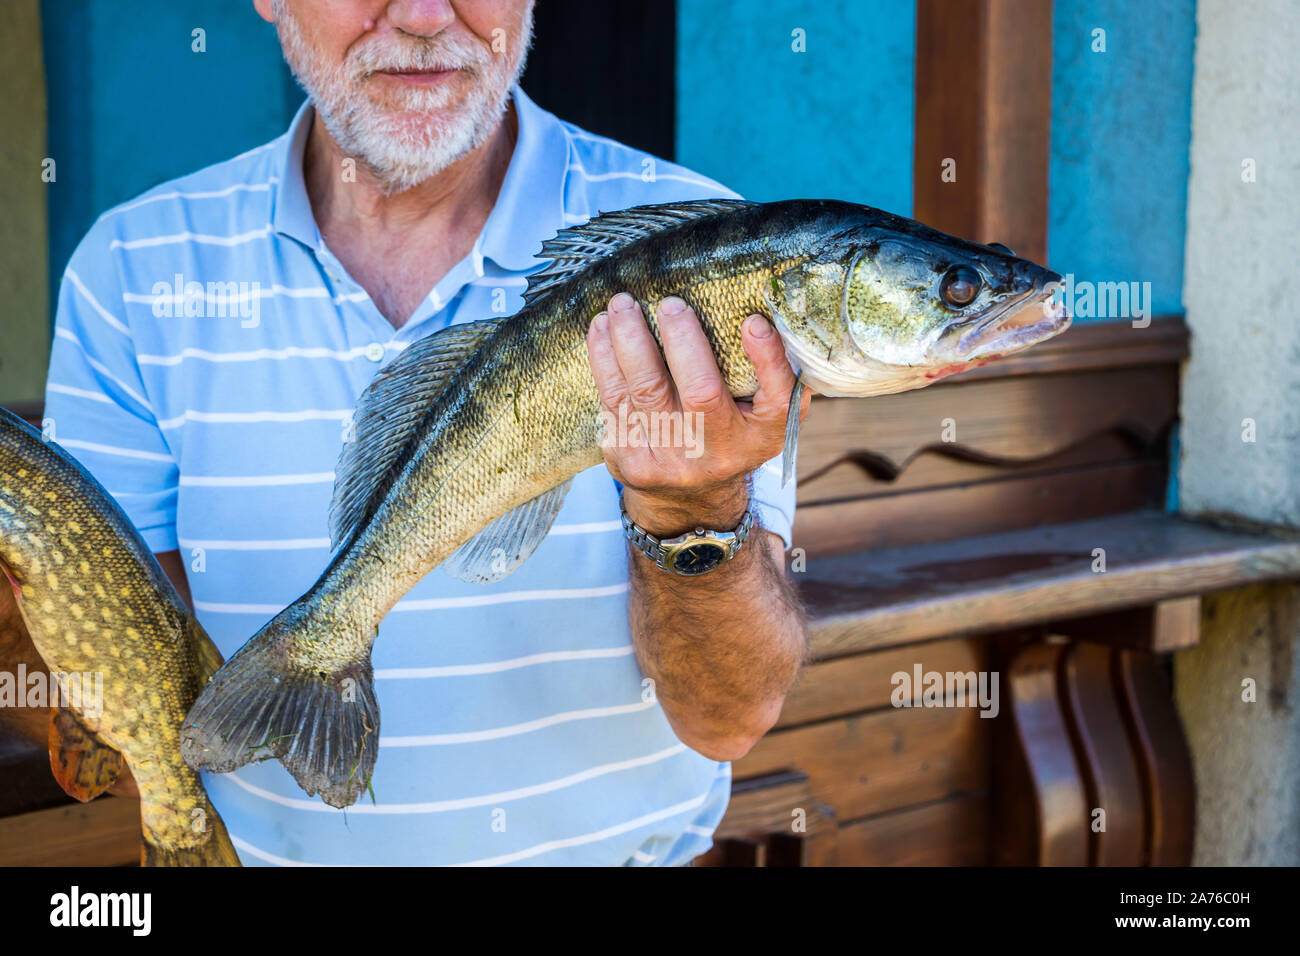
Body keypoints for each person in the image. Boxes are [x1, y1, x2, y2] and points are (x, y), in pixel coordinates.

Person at [39, 0, 808, 865]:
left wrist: (698, 511)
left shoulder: (701, 249)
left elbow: (729, 719)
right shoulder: (136, 271)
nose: (420, 16)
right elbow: (119, 713)